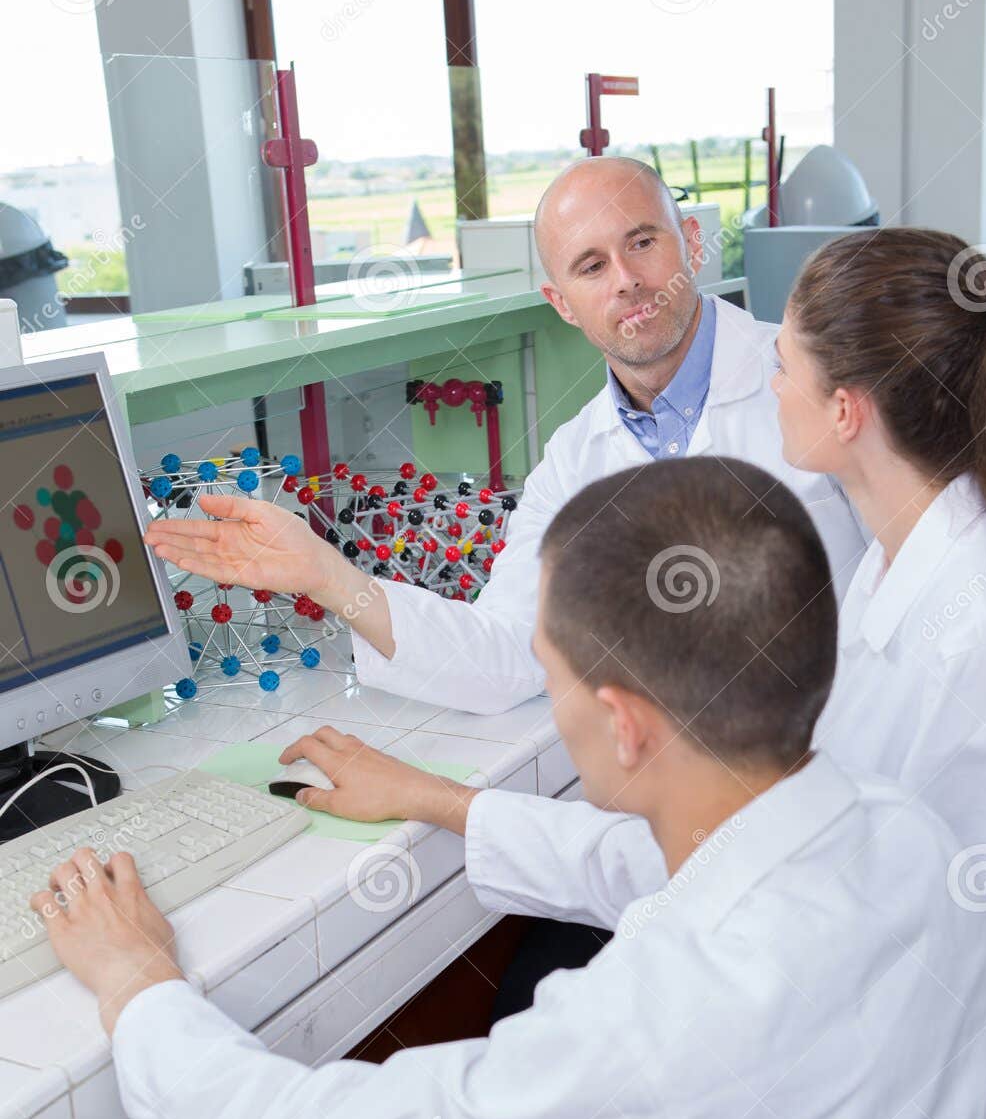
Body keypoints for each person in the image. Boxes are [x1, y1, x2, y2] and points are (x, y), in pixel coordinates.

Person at [32, 460, 986, 1119]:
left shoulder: (647, 1036)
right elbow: (665, 860)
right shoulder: (899, 835)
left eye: (551, 666)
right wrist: (438, 799)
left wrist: (139, 982)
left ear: (622, 723)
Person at [343, 229, 986, 1119]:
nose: (767, 378)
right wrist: (444, 802)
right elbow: (761, 857)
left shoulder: (976, 638)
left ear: (845, 412)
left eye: (785, 366)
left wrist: (447, 806)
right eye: (592, 263)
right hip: (922, 1037)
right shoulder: (922, 570)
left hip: (945, 1084)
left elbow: (745, 873)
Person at [143, 157, 867, 716]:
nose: (625, 280)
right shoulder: (576, 462)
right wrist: (328, 577)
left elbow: (929, 599)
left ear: (693, 243)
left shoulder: (821, 381)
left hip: (863, 779)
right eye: (589, 266)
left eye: (642, 242)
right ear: (561, 304)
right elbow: (508, 654)